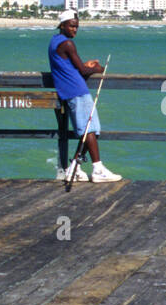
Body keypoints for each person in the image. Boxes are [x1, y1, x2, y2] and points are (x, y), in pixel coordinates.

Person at [48, 10, 121, 182]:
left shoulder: (54, 41)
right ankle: (97, 169)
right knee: (89, 129)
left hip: (69, 89)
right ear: (62, 25)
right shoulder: (67, 44)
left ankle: (74, 166)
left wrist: (85, 65)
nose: (74, 30)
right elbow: (82, 70)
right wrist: (97, 69)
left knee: (91, 129)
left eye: (77, 27)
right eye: (72, 26)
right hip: (76, 90)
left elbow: (72, 66)